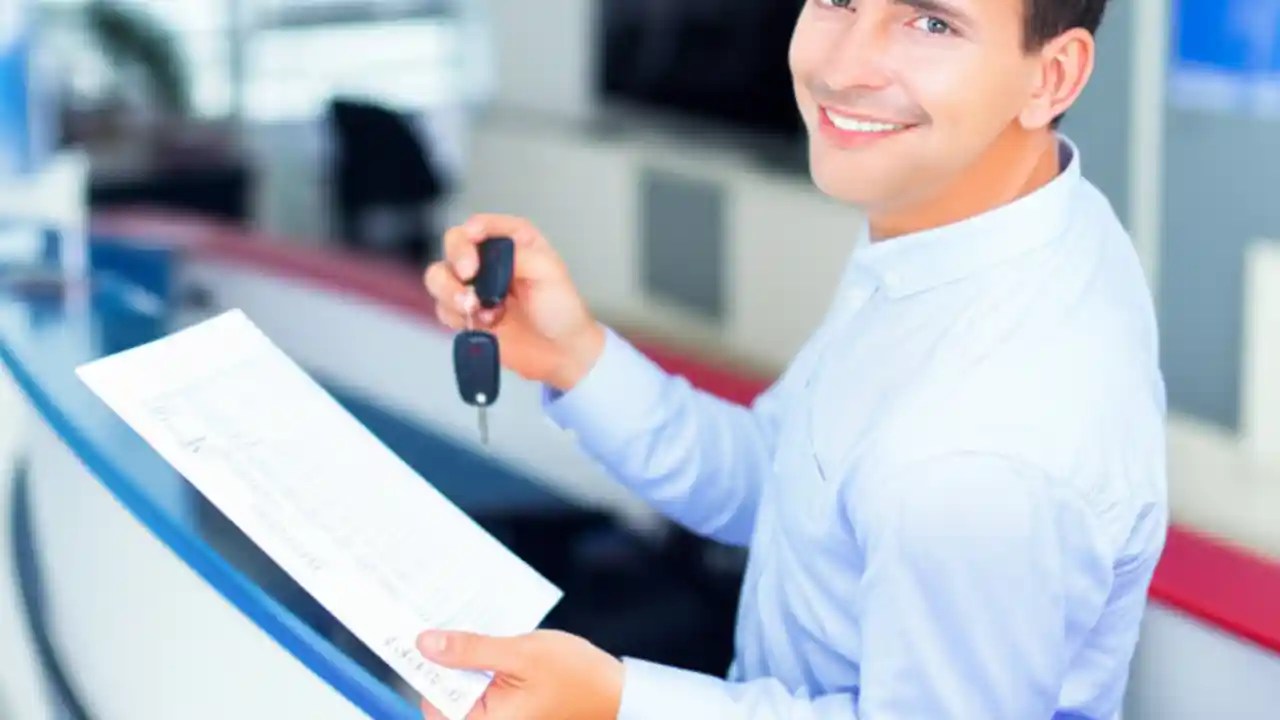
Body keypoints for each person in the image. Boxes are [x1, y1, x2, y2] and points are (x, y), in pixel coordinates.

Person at [418, 0, 1168, 717]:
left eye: (931, 22)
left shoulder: (975, 450)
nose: (842, 66)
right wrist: (575, 358)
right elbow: (786, 485)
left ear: (1053, 77)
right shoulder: (985, 223)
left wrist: (617, 703)